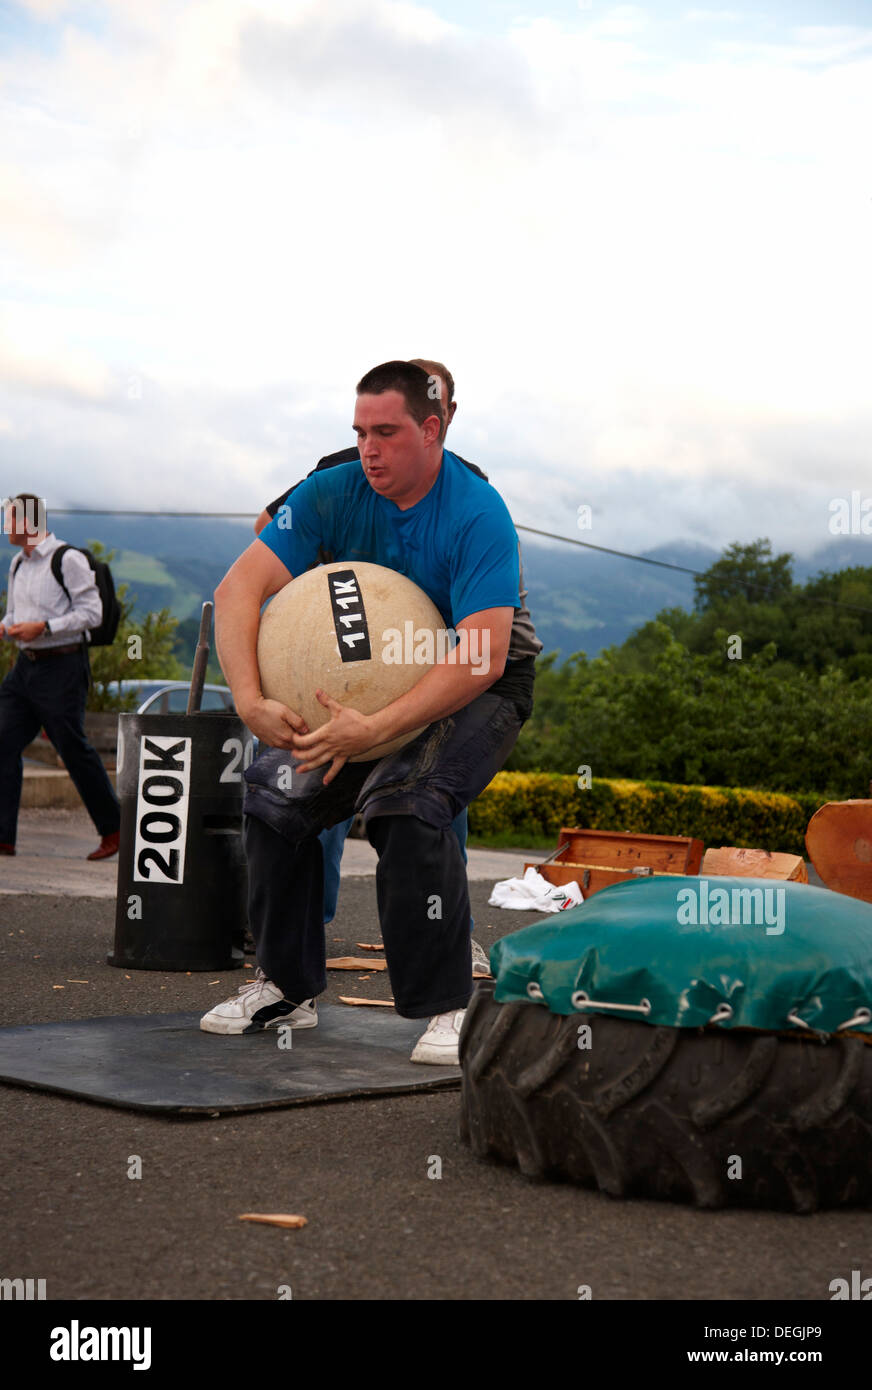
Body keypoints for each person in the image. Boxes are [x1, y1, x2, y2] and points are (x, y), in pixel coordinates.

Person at [201, 361, 540, 1063]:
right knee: (273, 796)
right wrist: (252, 699)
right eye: (360, 432)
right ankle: (286, 987)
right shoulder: (331, 491)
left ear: (432, 429)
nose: (369, 448)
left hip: (479, 684)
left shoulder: (478, 510)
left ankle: (450, 1005)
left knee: (407, 805)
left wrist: (378, 734)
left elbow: (481, 655)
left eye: (386, 432)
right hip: (366, 689)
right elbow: (238, 589)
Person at [0, 493, 121, 859]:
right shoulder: (18, 564)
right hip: (25, 668)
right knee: (2, 742)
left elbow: (92, 613)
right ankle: (3, 837)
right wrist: (6, 626)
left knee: (72, 748)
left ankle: (114, 829)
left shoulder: (68, 559)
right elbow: (13, 613)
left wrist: (45, 627)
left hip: (63, 666)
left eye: (9, 519)